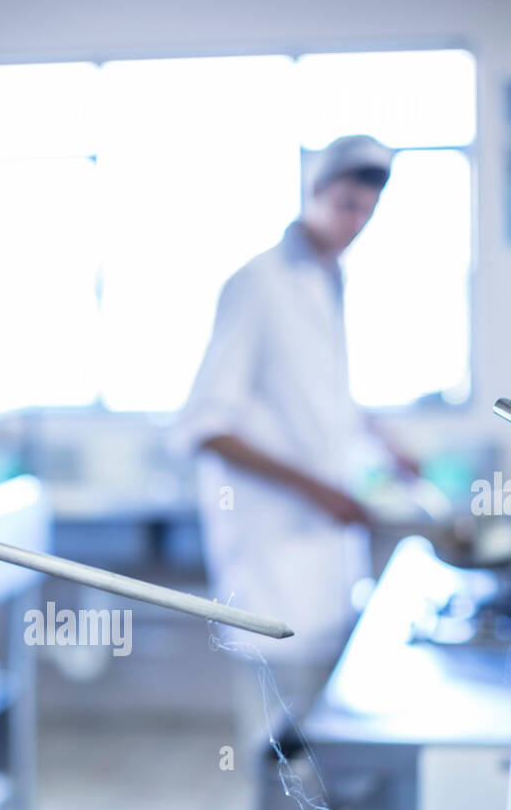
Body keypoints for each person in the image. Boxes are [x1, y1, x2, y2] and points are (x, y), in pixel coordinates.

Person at [173, 135, 417, 737]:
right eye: (343, 206)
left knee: (324, 739)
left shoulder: (331, 282)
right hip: (271, 557)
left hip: (327, 559)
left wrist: (386, 443)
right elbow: (204, 427)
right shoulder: (257, 283)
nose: (354, 223)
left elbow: (322, 397)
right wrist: (316, 490)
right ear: (312, 193)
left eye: (366, 211)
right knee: (276, 749)